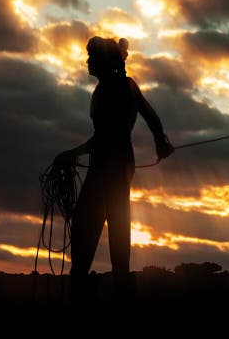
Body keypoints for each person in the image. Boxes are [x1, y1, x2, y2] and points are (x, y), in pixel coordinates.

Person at [53, 36, 174, 293]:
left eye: (92, 57)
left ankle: (87, 287)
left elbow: (103, 137)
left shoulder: (110, 90)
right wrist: (160, 142)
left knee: (89, 226)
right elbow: (150, 116)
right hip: (119, 164)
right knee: (114, 225)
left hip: (110, 166)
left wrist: (71, 154)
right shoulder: (124, 86)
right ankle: (117, 284)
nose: (88, 61)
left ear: (104, 61)